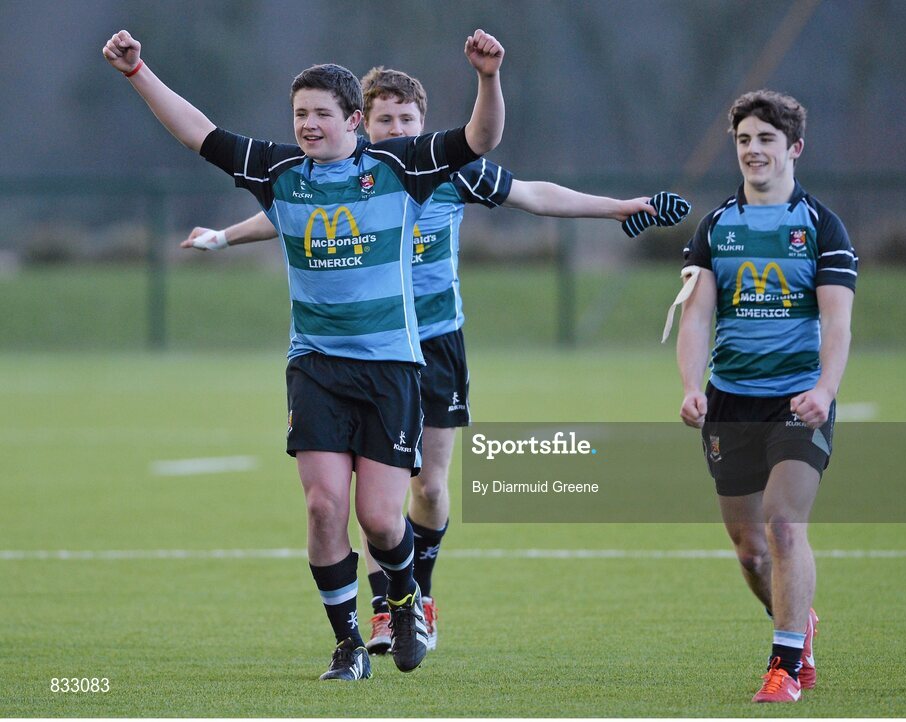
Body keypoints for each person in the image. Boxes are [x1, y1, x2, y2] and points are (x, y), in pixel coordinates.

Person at [182, 66, 690, 655]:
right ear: (364, 124)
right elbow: (289, 215)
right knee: (377, 502)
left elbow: (534, 195)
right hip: (359, 350)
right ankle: (387, 611)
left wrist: (619, 207)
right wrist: (224, 237)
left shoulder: (440, 171)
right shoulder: (350, 173)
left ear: (422, 123)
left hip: (435, 343)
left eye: (408, 120)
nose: (397, 129)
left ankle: (419, 594)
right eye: (386, 119)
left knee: (427, 487)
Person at [103, 28, 507, 681]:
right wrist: (137, 72)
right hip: (316, 365)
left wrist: (488, 78)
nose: (308, 125)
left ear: (353, 121)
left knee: (381, 519)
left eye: (321, 113)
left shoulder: (401, 167)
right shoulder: (279, 172)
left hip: (391, 368)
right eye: (299, 114)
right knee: (323, 507)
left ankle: (405, 600)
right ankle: (349, 645)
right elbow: (199, 133)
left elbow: (480, 139)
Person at [675, 90, 857, 703]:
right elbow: (697, 317)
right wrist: (691, 386)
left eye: (766, 140)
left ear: (794, 148)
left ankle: (785, 666)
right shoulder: (716, 228)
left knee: (782, 524)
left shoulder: (822, 228)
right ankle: (798, 622)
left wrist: (825, 389)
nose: (753, 150)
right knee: (751, 552)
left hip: (798, 402)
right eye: (744, 140)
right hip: (730, 403)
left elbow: (837, 322)